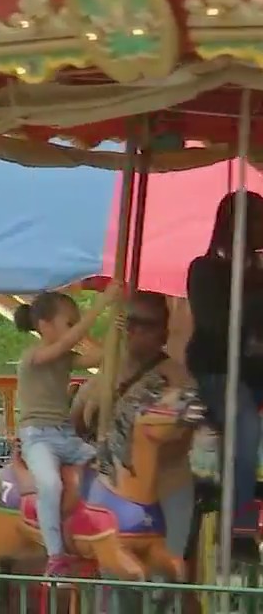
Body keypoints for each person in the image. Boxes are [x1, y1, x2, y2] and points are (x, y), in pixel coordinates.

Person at [72, 292, 197, 558]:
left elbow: (180, 435)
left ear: (163, 332)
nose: (135, 330)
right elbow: (76, 422)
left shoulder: (176, 377)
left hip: (164, 487)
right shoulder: (107, 372)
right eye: (129, 322)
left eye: (146, 324)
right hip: (106, 488)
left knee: (164, 576)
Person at [14, 283, 120, 576]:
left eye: (74, 323)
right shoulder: (34, 357)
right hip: (39, 437)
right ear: (44, 326)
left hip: (65, 435)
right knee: (50, 485)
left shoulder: (63, 356)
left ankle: (99, 527)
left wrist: (115, 322)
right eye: (68, 322)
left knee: (110, 463)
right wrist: (101, 306)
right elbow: (63, 345)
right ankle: (55, 554)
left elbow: (100, 357)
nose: (74, 329)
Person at [185, 190, 263, 558]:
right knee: (244, 421)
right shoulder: (205, 271)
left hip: (255, 371)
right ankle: (241, 529)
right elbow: (217, 325)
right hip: (217, 369)